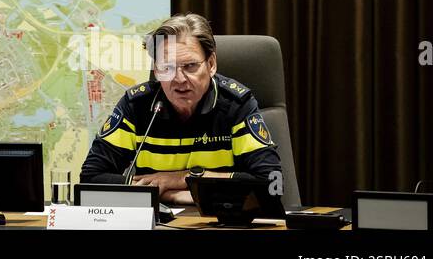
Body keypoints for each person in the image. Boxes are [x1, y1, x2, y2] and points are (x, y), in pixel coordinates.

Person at [79, 13, 283, 205]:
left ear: (211, 64)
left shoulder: (236, 105)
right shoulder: (137, 105)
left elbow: (272, 185)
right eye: (166, 68)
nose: (179, 79)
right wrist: (173, 193)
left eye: (190, 66)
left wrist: (180, 179)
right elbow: (90, 179)